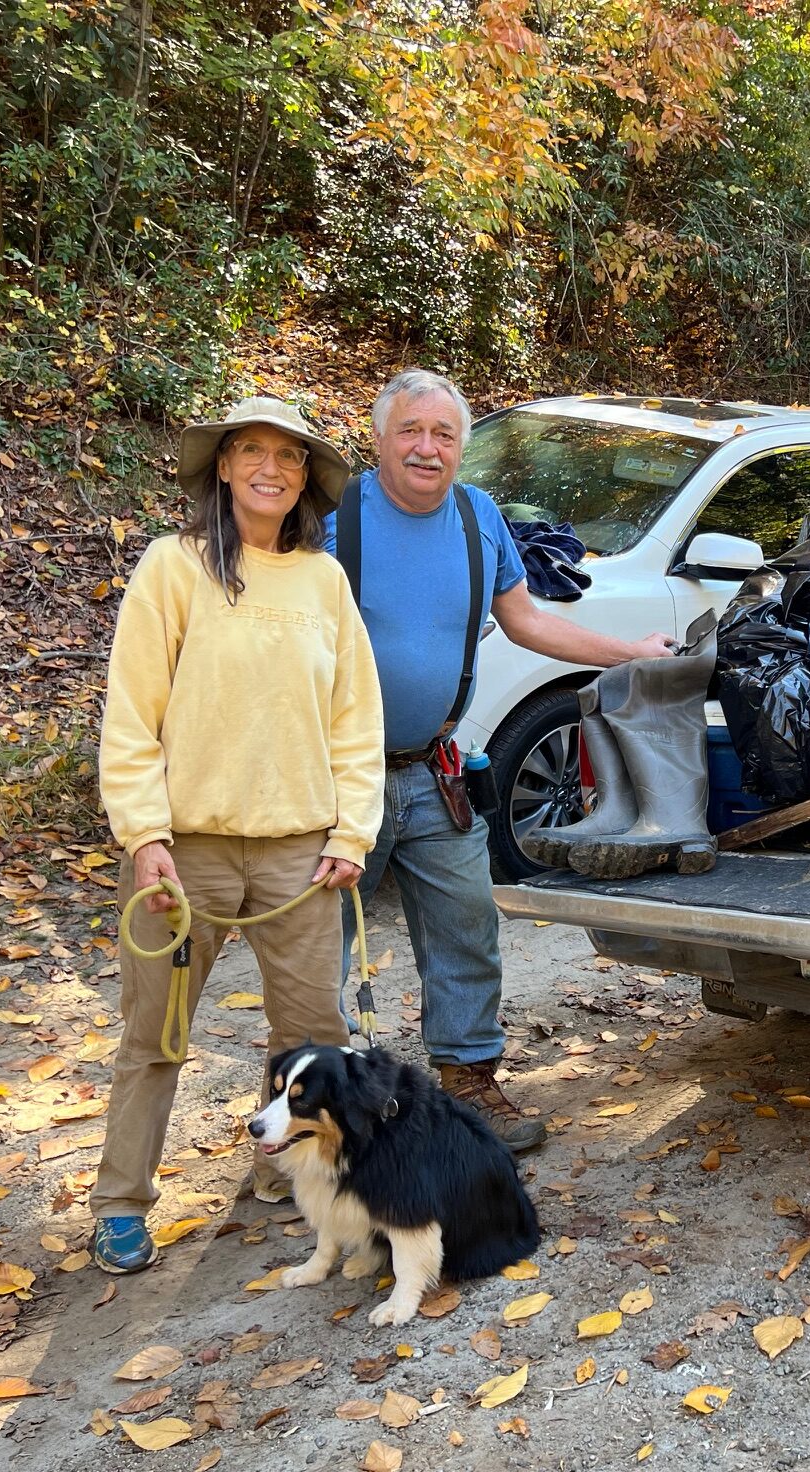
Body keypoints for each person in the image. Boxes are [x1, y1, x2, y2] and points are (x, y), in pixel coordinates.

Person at [329, 369, 673, 1152]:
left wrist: (629, 653)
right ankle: (326, 1120)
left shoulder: (478, 517)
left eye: (444, 435)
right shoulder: (332, 517)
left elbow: (526, 622)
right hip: (335, 781)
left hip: (434, 774)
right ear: (379, 438)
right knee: (318, 955)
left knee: (467, 929)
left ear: (460, 447)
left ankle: (469, 1083)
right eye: (411, 432)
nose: (427, 448)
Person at [90, 396, 386, 1274]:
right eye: (250, 452)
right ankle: (120, 1204)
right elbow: (132, 717)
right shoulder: (172, 568)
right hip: (185, 850)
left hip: (302, 851)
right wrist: (143, 835)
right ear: (222, 467)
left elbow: (355, 720)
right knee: (157, 1033)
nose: (269, 468)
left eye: (288, 457)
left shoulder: (323, 583)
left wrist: (353, 832)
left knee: (310, 1032)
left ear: (305, 479)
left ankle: (287, 1172)